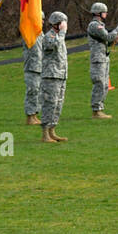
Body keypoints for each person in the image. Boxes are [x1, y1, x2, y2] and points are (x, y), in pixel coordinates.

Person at [86, 3, 118, 119]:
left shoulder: (100, 25)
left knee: (104, 85)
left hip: (104, 58)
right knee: (99, 84)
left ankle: (99, 108)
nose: (106, 14)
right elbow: (108, 37)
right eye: (105, 12)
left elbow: (107, 41)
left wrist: (114, 40)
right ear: (99, 13)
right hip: (98, 59)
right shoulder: (95, 25)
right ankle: (96, 110)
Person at [40, 12, 69, 143]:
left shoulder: (59, 37)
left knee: (58, 104)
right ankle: (45, 133)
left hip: (60, 75)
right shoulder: (49, 36)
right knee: (50, 104)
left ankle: (52, 130)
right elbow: (52, 45)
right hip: (51, 75)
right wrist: (62, 33)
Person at [23, 26, 44, 126]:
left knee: (38, 92)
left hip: (40, 66)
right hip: (32, 66)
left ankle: (35, 114)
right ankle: (30, 116)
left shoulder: (40, 33)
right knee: (32, 90)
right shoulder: (29, 32)